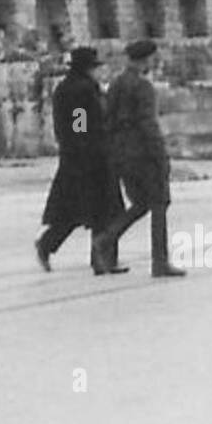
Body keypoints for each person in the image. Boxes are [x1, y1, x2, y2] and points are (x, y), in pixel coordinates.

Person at [35, 46, 127, 275]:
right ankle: (103, 259)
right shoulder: (80, 91)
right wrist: (94, 149)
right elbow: (80, 125)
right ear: (87, 69)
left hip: (78, 157)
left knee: (75, 211)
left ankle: (49, 245)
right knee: (105, 210)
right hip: (89, 158)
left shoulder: (69, 87)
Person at [103, 39, 186, 278]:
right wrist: (161, 156)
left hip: (122, 153)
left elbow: (108, 118)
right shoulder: (143, 87)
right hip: (143, 153)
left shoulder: (116, 84)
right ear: (146, 59)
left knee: (140, 203)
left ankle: (107, 238)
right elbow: (148, 124)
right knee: (159, 203)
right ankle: (159, 262)